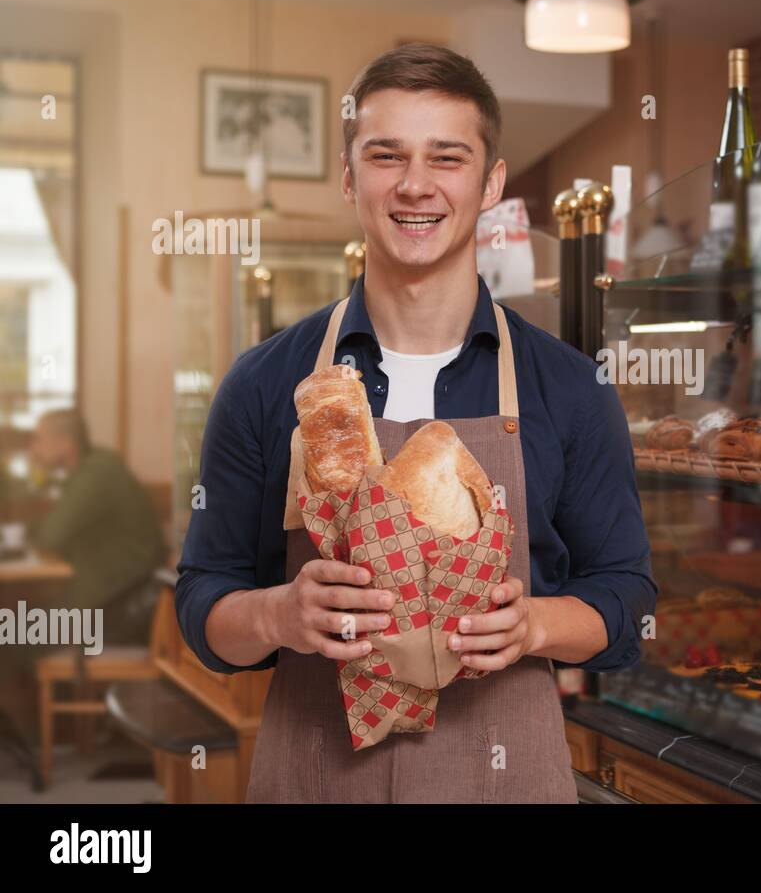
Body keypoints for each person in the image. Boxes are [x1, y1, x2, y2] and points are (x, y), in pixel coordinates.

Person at [175, 43, 656, 803]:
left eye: (448, 157)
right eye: (386, 154)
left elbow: (625, 599)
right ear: (349, 176)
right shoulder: (265, 383)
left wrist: (533, 626)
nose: (415, 185)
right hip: (315, 775)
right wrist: (280, 612)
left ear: (491, 182)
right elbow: (203, 606)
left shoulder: (567, 388)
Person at [27, 409, 164, 642]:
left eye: (40, 439)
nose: (35, 448)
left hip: (115, 609)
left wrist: (35, 473)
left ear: (65, 444)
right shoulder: (96, 468)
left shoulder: (96, 474)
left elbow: (52, 536)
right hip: (113, 597)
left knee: (9, 635)